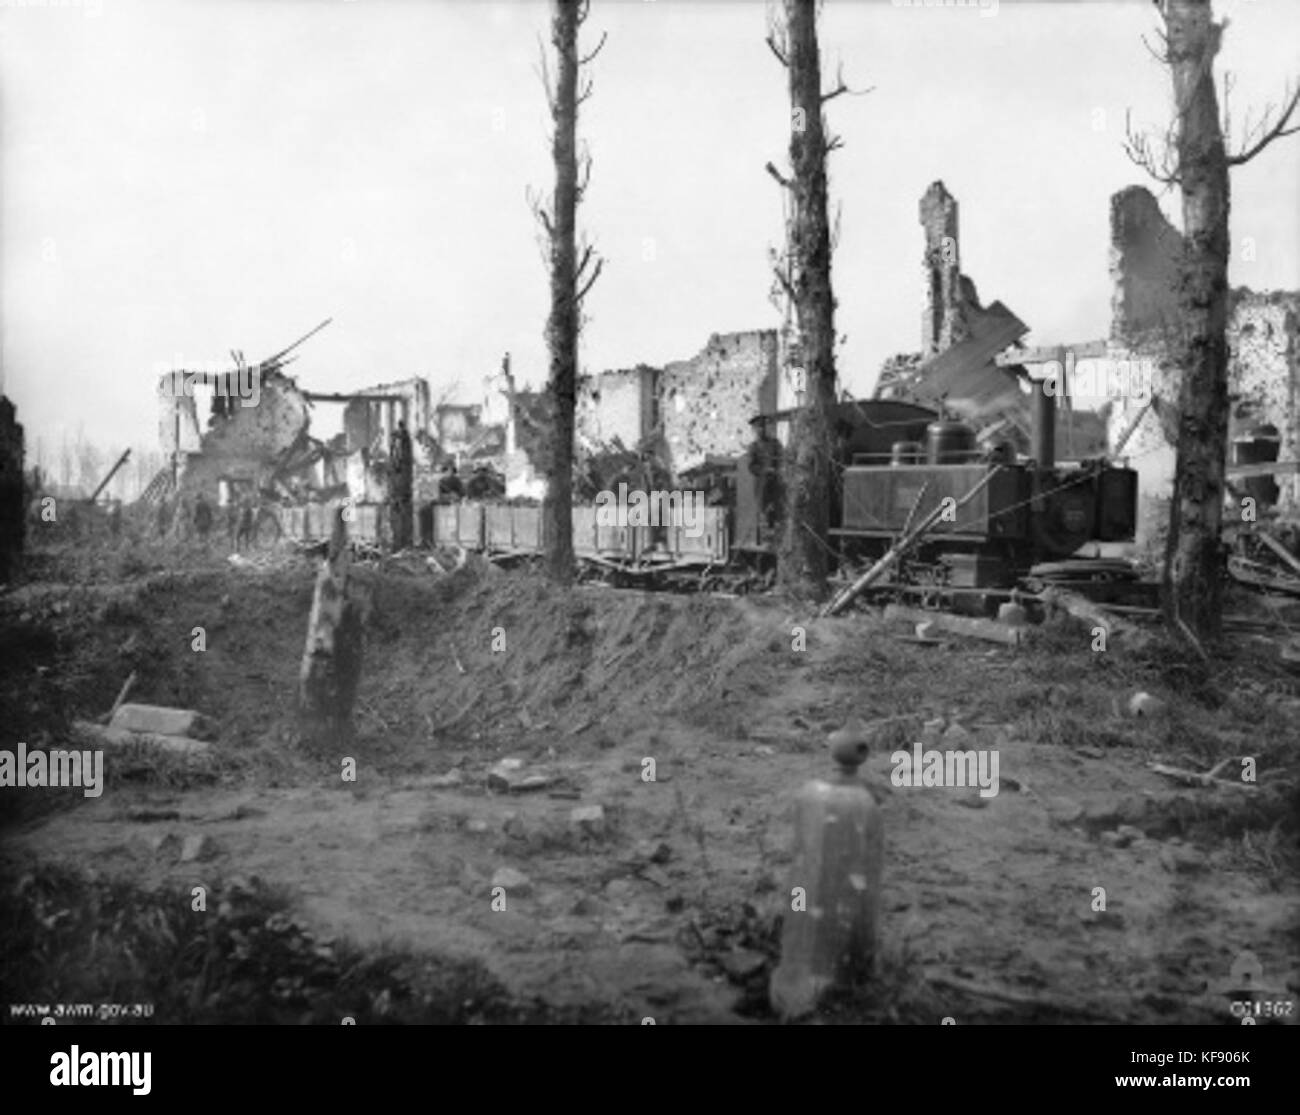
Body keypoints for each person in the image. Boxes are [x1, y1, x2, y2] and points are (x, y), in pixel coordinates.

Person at [747, 415, 784, 532]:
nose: (761, 430)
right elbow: (751, 466)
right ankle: (766, 529)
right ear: (754, 430)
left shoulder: (775, 444)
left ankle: (777, 525)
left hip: (776, 482)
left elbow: (781, 458)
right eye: (758, 428)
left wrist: (778, 469)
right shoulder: (753, 447)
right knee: (764, 508)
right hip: (762, 484)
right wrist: (764, 470)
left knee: (778, 507)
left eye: (762, 427)